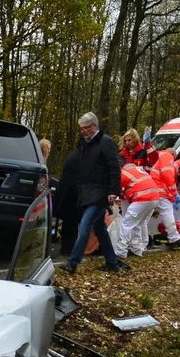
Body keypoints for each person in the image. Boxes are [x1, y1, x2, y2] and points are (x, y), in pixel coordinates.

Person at [64, 112, 128, 274]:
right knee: (100, 229)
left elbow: (114, 168)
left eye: (86, 128)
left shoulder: (106, 142)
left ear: (95, 126)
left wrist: (113, 191)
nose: (83, 131)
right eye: (81, 129)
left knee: (85, 225)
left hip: (100, 192)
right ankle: (112, 263)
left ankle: (73, 262)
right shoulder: (84, 143)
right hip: (87, 192)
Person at [114, 162, 161, 257]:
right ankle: (137, 249)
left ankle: (121, 251)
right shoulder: (136, 170)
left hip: (142, 199)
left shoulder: (122, 174)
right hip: (154, 197)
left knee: (126, 225)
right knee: (137, 225)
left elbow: (116, 191)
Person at [153, 147, 180, 247]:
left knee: (143, 218)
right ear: (172, 154)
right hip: (160, 190)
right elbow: (167, 175)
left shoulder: (158, 155)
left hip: (153, 189)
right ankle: (174, 238)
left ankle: (141, 242)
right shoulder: (167, 156)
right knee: (167, 213)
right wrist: (174, 193)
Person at [53, 146, 83, 257]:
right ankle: (69, 249)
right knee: (73, 223)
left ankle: (67, 248)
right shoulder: (81, 158)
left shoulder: (74, 156)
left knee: (69, 223)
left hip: (67, 194)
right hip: (73, 196)